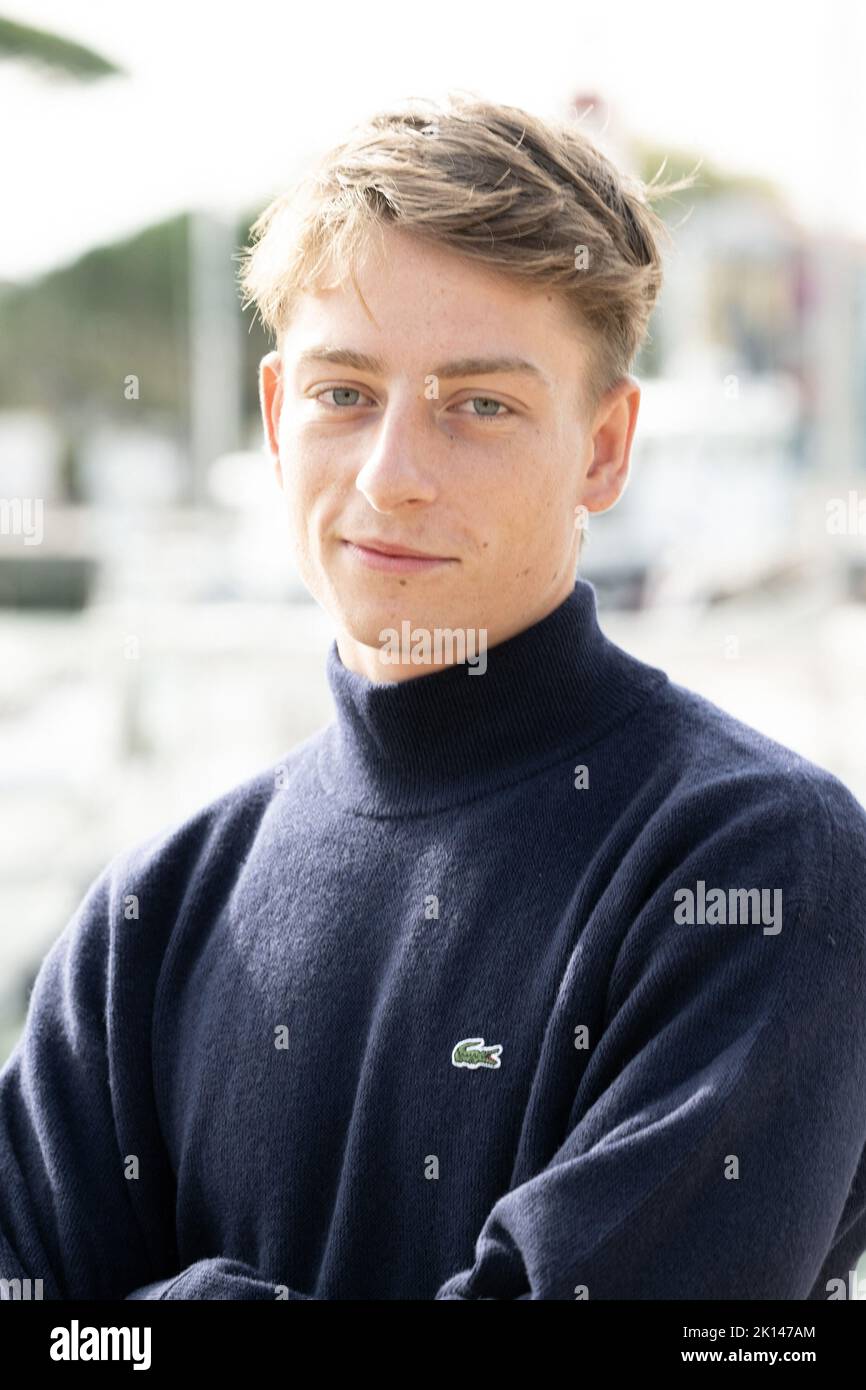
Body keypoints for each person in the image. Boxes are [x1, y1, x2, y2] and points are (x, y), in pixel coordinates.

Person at [2, 93, 865, 1303]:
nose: (393, 475)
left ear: (604, 449)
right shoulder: (151, 913)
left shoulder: (760, 867)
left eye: (479, 405)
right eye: (343, 394)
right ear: (274, 417)